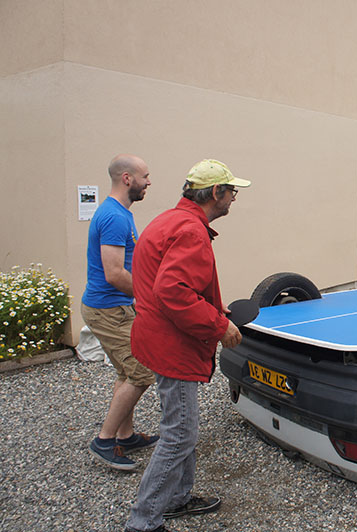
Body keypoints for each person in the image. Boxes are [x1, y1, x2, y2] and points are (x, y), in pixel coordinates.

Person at [124, 159, 250, 532]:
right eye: (232, 191)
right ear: (216, 193)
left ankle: (178, 498)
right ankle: (143, 522)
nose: (234, 198)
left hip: (158, 337)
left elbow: (171, 284)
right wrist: (218, 325)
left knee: (182, 428)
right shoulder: (192, 232)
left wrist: (213, 305)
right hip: (171, 345)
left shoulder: (169, 220)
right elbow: (173, 292)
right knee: (180, 433)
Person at [83, 154, 159, 471]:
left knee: (125, 372)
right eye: (145, 176)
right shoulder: (114, 217)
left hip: (117, 306)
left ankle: (125, 436)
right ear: (127, 178)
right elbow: (114, 273)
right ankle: (104, 440)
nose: (149, 182)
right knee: (142, 372)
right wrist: (151, 296)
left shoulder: (120, 214)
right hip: (108, 309)